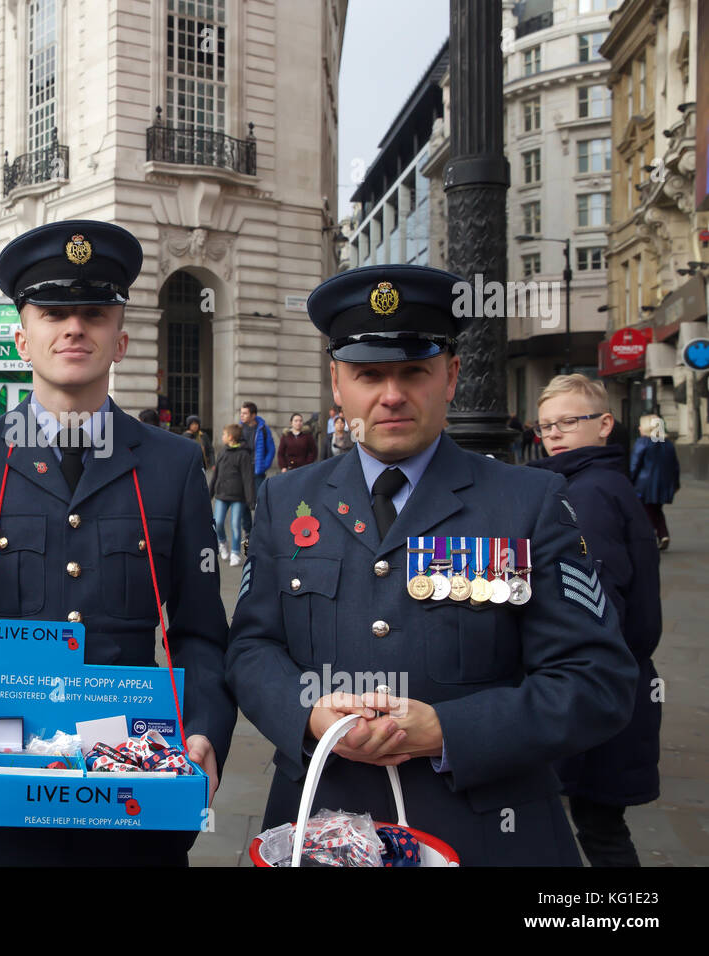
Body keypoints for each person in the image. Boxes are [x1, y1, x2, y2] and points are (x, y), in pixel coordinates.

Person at [226, 264, 636, 866]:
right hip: (320, 819)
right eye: (368, 374)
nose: (391, 395)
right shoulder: (287, 500)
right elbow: (251, 647)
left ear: (451, 377)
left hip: (487, 828)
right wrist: (308, 713)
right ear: (337, 383)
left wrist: (448, 731)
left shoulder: (528, 502)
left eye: (414, 371)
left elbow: (596, 680)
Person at [0, 219, 235, 867]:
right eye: (53, 312)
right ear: (23, 338)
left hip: (133, 791)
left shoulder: (172, 465)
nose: (73, 327)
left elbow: (200, 633)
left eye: (93, 313)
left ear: (121, 338)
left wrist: (203, 729)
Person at [528, 374, 660, 867]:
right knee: (600, 825)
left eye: (568, 421)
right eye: (545, 425)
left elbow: (595, 605)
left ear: (605, 424)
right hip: (621, 685)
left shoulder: (586, 494)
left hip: (593, 693)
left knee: (596, 831)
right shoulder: (603, 484)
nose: (554, 433)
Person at [630, 414, 679, 550]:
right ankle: (663, 535)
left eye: (641, 425)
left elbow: (634, 465)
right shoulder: (668, 443)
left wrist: (629, 481)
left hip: (644, 485)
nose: (639, 427)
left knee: (646, 512)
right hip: (663, 484)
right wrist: (675, 484)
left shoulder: (643, 442)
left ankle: (650, 537)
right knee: (656, 509)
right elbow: (675, 466)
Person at [209, 424, 254, 566]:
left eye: (223, 434)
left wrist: (251, 500)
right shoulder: (222, 452)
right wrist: (209, 493)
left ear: (231, 437)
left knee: (235, 525)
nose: (222, 437)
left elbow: (248, 478)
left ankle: (235, 553)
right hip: (221, 495)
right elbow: (215, 474)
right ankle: (222, 543)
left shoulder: (244, 454)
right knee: (218, 523)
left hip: (238, 497)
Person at [238, 402, 274, 540]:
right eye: (241, 413)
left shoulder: (263, 428)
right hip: (242, 472)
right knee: (243, 502)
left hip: (257, 471)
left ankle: (259, 529)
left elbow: (271, 449)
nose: (242, 415)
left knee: (260, 500)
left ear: (253, 415)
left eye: (245, 413)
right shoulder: (239, 428)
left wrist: (264, 465)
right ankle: (247, 530)